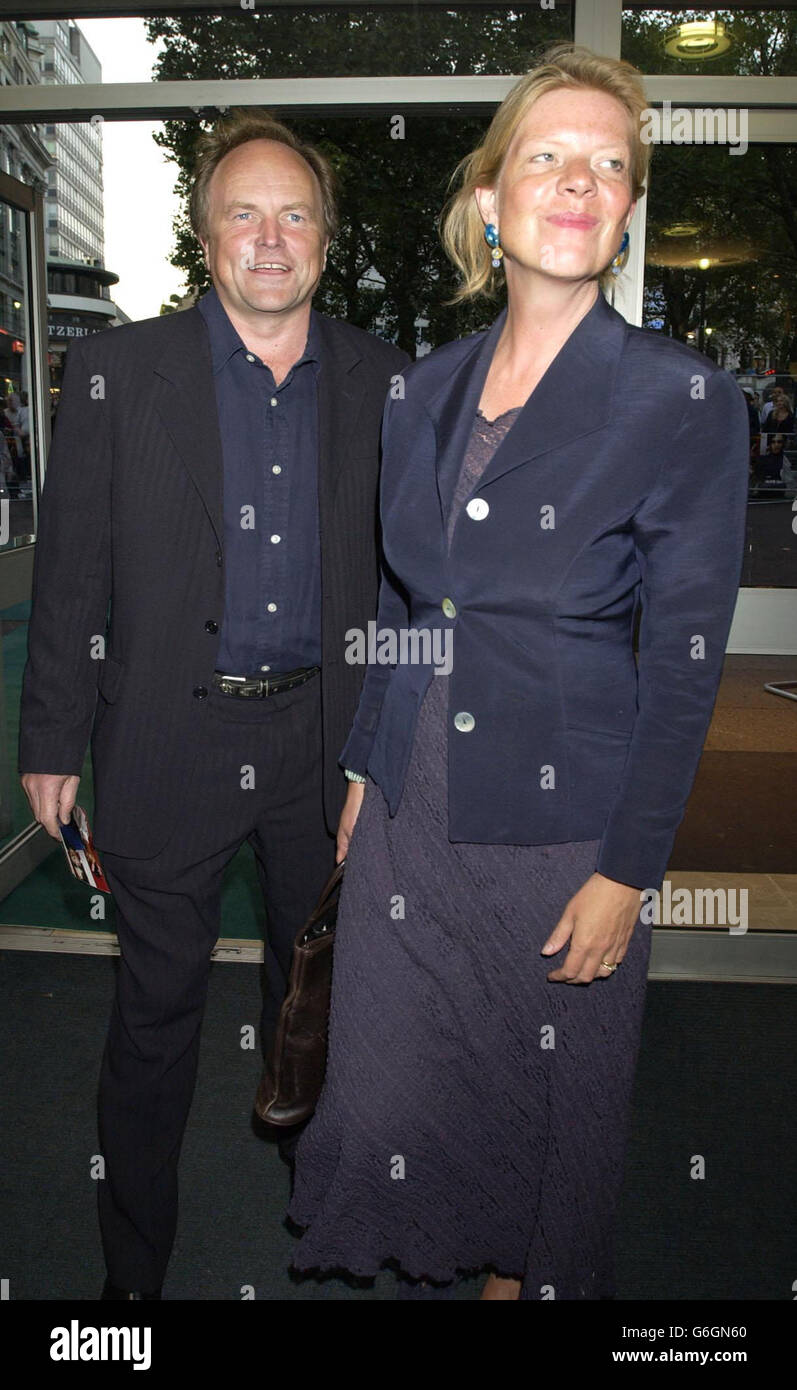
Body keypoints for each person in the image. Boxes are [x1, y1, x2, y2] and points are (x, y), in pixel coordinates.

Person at [287, 44, 750, 1301]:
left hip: (562, 833)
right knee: (403, 1089)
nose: (577, 180)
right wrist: (361, 764)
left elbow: (684, 664)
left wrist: (627, 872)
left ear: (623, 211)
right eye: (545, 155)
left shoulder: (680, 399)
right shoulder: (420, 391)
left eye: (609, 164)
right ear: (487, 200)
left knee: (550, 1125)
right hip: (406, 807)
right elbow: (406, 597)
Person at [18, 109, 408, 1301]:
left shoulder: (384, 380)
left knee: (319, 997)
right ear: (207, 235)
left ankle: (322, 1207)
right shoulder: (117, 372)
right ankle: (131, 1273)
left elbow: (404, 582)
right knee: (153, 1018)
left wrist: (377, 755)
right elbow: (70, 562)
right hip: (166, 739)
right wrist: (49, 736)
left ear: (325, 242)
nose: (271, 236)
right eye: (245, 211)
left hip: (319, 745)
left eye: (295, 213)